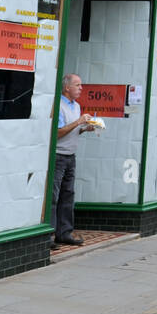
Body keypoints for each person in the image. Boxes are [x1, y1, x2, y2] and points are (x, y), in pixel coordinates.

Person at [52, 72, 95, 245]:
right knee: (54, 196)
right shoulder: (59, 105)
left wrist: (84, 129)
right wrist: (78, 122)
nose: (81, 88)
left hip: (71, 156)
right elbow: (58, 132)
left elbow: (71, 131)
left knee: (68, 195)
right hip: (58, 155)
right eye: (77, 85)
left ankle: (65, 232)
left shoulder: (76, 106)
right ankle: (50, 234)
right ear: (67, 87)